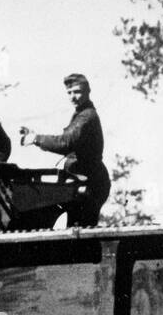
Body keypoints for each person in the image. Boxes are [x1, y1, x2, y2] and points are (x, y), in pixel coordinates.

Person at [19, 73, 111, 227]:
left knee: (81, 232)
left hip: (90, 182)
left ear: (88, 91)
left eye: (77, 92)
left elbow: (65, 143)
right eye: (69, 93)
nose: (73, 97)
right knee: (77, 230)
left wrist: (36, 138)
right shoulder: (81, 115)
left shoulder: (86, 117)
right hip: (82, 180)